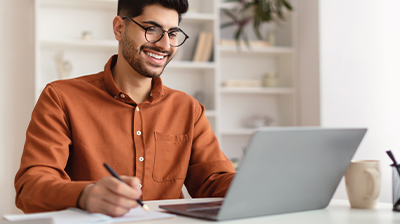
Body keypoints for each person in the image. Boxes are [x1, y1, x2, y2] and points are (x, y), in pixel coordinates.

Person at [14, 0, 235, 217]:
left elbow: (213, 182)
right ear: (119, 28)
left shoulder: (188, 108)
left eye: (173, 33)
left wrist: (259, 182)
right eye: (152, 29)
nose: (165, 45)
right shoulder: (61, 98)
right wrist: (85, 195)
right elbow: (30, 187)